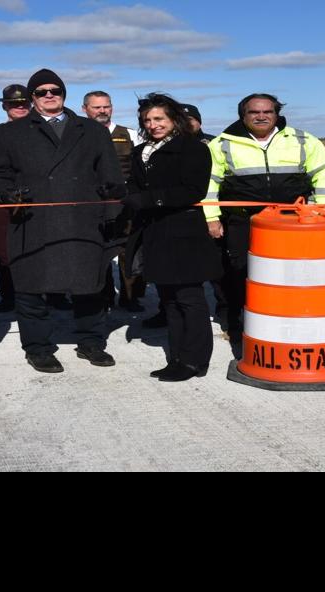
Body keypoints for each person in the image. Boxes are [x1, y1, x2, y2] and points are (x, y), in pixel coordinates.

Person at [0, 69, 126, 373]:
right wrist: (7, 195)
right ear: (33, 97)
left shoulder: (92, 130)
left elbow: (111, 175)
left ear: (64, 93)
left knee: (90, 285)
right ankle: (38, 347)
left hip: (83, 221)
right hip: (33, 220)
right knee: (31, 287)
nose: (49, 95)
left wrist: (111, 211)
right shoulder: (10, 133)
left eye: (55, 90)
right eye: (41, 91)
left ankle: (91, 342)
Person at [203, 93, 325, 352]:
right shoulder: (222, 143)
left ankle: (288, 321)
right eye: (254, 112)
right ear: (242, 116)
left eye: (267, 111)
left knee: (291, 274)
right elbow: (209, 182)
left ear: (276, 114)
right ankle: (239, 326)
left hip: (292, 224)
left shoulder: (302, 139)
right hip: (244, 222)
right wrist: (211, 218)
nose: (261, 116)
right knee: (240, 273)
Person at [127, 94, 223, 382]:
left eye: (159, 119)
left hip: (183, 233)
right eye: (147, 119)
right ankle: (178, 356)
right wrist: (127, 196)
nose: (153, 124)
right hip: (154, 232)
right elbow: (134, 183)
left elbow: (193, 190)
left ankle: (195, 360)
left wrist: (148, 200)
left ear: (173, 120)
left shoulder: (192, 149)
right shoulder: (141, 151)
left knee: (189, 297)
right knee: (168, 297)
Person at [84, 90, 145, 313]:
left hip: (125, 203)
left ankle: (131, 297)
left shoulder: (129, 134)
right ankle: (103, 296)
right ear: (85, 109)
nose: (102, 111)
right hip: (92, 204)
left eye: (106, 106)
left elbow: (140, 168)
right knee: (98, 251)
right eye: (96, 107)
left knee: (129, 251)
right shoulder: (79, 134)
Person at [0, 83, 32, 313]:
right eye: (14, 104)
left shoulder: (42, 130)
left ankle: (54, 295)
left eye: (23, 103)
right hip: (3, 202)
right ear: (5, 106)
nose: (20, 107)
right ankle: (9, 295)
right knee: (4, 252)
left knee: (44, 249)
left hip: (37, 201)